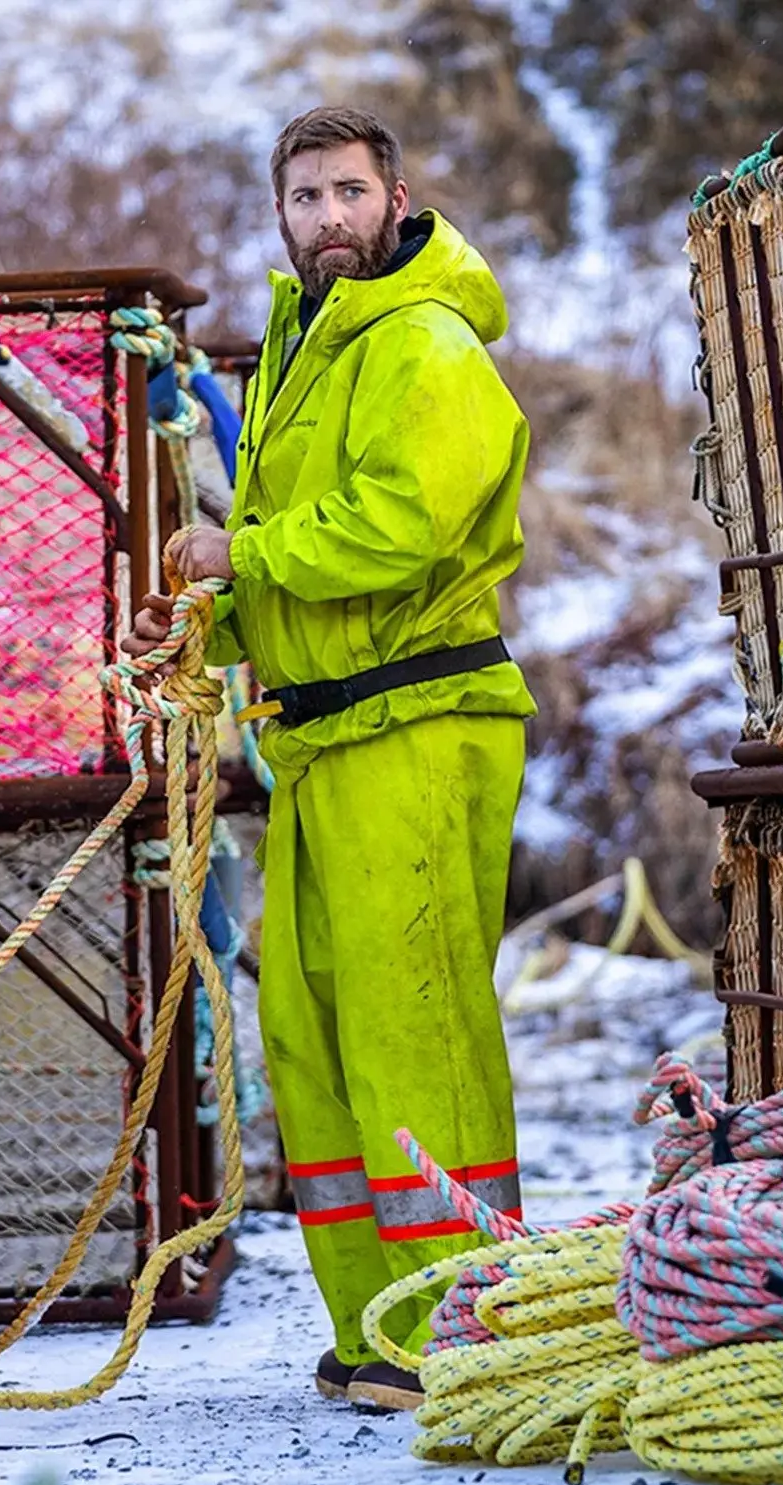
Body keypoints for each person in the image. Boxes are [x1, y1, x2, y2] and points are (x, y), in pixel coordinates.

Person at [121, 106, 535, 1412]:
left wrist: (236, 558)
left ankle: (462, 1331)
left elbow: (397, 527)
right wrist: (210, 617)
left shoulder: (425, 341)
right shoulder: (305, 349)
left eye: (350, 193)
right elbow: (294, 543)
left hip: (416, 724)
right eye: (305, 199)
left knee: (417, 1028)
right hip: (318, 736)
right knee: (312, 1033)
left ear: (398, 197)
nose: (329, 219)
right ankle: (376, 1335)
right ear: (281, 216)